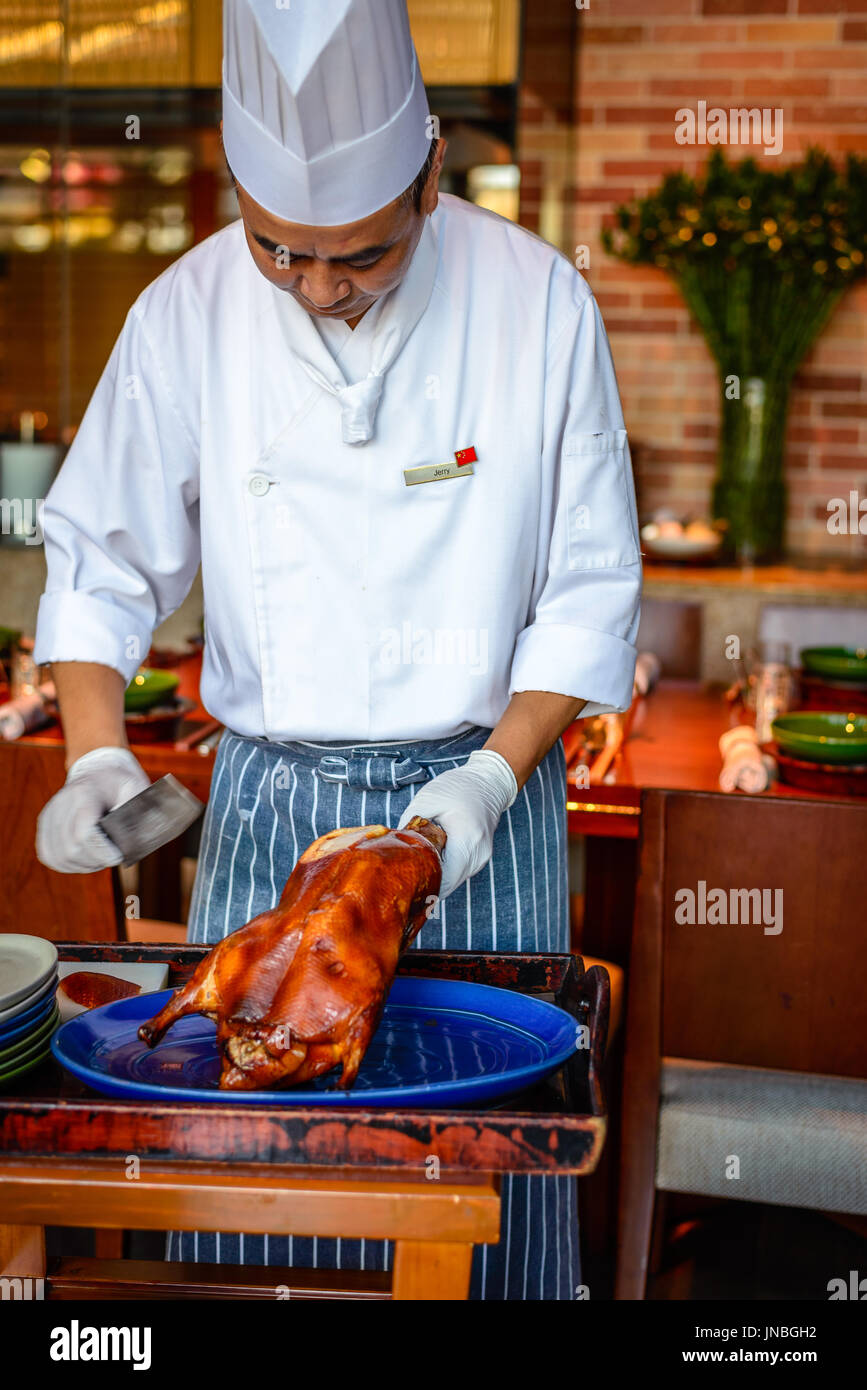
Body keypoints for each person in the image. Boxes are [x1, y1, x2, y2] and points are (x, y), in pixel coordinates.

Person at [34, 0, 641, 1299]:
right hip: (271, 815)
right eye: (278, 249)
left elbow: (588, 592)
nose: (316, 286)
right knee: (262, 1188)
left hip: (481, 816)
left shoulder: (539, 302)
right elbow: (98, 558)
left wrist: (482, 784)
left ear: (430, 174)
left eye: (357, 256)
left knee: (484, 1184)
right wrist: (93, 754)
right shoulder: (186, 309)